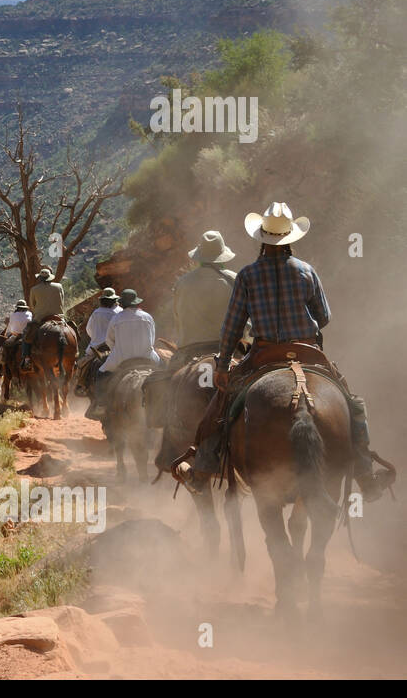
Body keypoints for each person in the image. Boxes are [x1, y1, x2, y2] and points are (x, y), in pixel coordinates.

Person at [174, 202, 392, 498]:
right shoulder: (306, 270)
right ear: (292, 238)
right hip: (307, 352)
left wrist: (223, 367)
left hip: (263, 354)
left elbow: (232, 327)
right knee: (353, 404)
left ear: (261, 238)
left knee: (221, 404)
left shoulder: (247, 275)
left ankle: (202, 468)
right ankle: (365, 475)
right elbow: (324, 316)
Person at [172, 230, 238, 364]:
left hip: (189, 351)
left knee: (166, 379)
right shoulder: (234, 279)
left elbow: (177, 317)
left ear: (199, 257)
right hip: (227, 349)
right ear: (222, 256)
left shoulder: (182, 282)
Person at [91, 289, 159, 418]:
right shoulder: (148, 317)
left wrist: (117, 349)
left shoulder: (117, 318)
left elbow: (109, 340)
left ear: (122, 303)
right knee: (164, 372)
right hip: (147, 358)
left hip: (121, 359)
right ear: (136, 302)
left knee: (101, 373)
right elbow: (152, 339)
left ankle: (101, 405)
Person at [77, 287, 121, 403]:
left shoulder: (96, 313)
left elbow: (89, 330)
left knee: (83, 364)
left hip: (96, 348)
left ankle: (81, 385)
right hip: (115, 347)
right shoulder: (119, 312)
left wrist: (97, 337)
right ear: (114, 300)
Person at [21, 267, 65, 370]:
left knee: (26, 334)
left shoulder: (34, 289)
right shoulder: (59, 286)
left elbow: (32, 305)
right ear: (50, 278)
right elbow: (62, 301)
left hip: (41, 318)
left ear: (40, 278)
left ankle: (27, 359)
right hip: (58, 316)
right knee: (72, 328)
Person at [0, 300, 32, 376]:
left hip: (16, 336)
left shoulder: (13, 315)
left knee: (3, 347)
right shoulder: (30, 314)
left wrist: (7, 334)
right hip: (28, 336)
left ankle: (2, 365)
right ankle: (27, 360)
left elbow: (10, 328)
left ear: (17, 307)